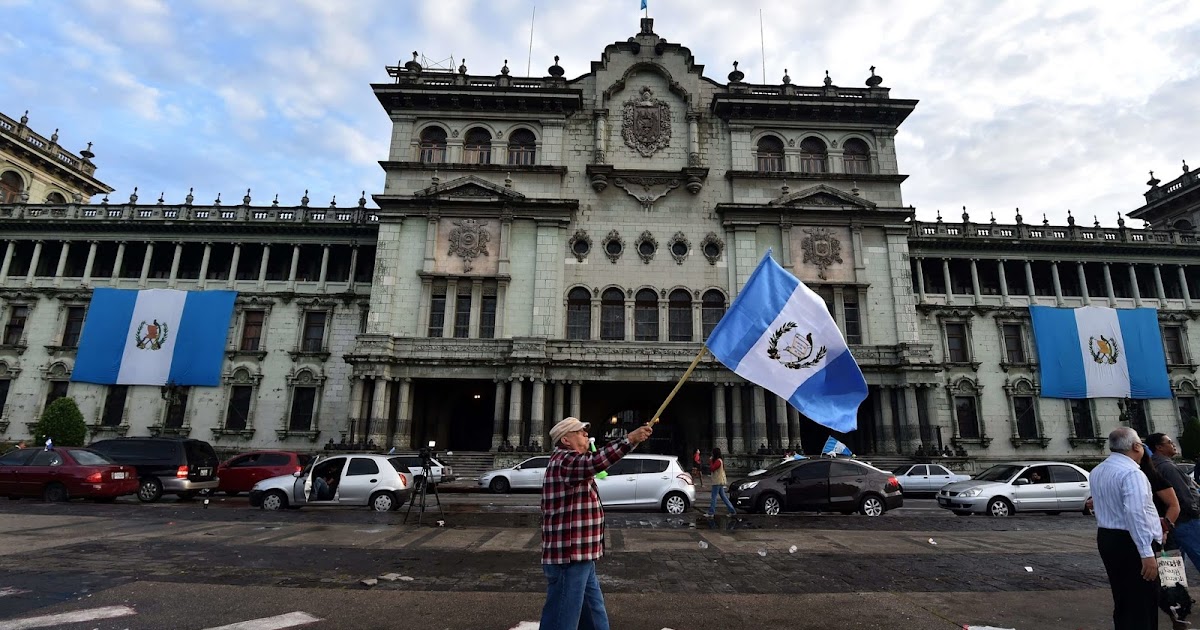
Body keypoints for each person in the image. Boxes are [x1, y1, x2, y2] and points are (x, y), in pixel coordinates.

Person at [540, 416, 652, 630]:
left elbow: (593, 461)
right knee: (562, 617)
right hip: (568, 557)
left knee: (593, 612)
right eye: (580, 431)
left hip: (583, 555)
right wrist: (629, 439)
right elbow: (595, 461)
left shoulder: (572, 463)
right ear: (565, 440)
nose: (585, 434)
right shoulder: (565, 461)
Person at [1091, 427, 1162, 629]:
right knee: (1143, 600)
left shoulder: (1098, 470)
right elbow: (1135, 513)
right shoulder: (1132, 473)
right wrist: (1146, 552)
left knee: (1122, 597)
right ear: (1136, 446)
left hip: (1107, 536)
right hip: (1130, 540)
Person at [1148, 433, 1200, 571]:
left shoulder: (1153, 465)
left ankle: (1173, 591)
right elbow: (1183, 495)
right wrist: (1195, 511)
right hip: (1185, 520)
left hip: (1167, 521)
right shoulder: (1167, 467)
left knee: (1171, 566)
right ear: (1159, 447)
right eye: (1169, 442)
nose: (1173, 444)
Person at [706, 447, 736, 517]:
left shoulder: (718, 461)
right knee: (723, 497)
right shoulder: (719, 460)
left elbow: (712, 468)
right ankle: (732, 511)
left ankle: (711, 512)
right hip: (719, 481)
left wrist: (710, 461)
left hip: (717, 481)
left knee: (714, 497)